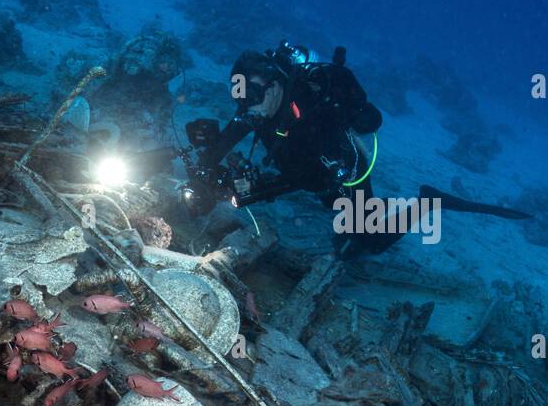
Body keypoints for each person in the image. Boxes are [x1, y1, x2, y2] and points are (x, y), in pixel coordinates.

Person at [190, 41, 529, 257]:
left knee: (367, 241)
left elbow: (305, 177)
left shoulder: (316, 117)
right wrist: (208, 163)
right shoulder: (260, 106)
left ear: (276, 84)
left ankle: (430, 201)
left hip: (342, 171)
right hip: (305, 168)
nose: (249, 108)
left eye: (253, 98)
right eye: (241, 98)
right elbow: (238, 129)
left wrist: (250, 192)